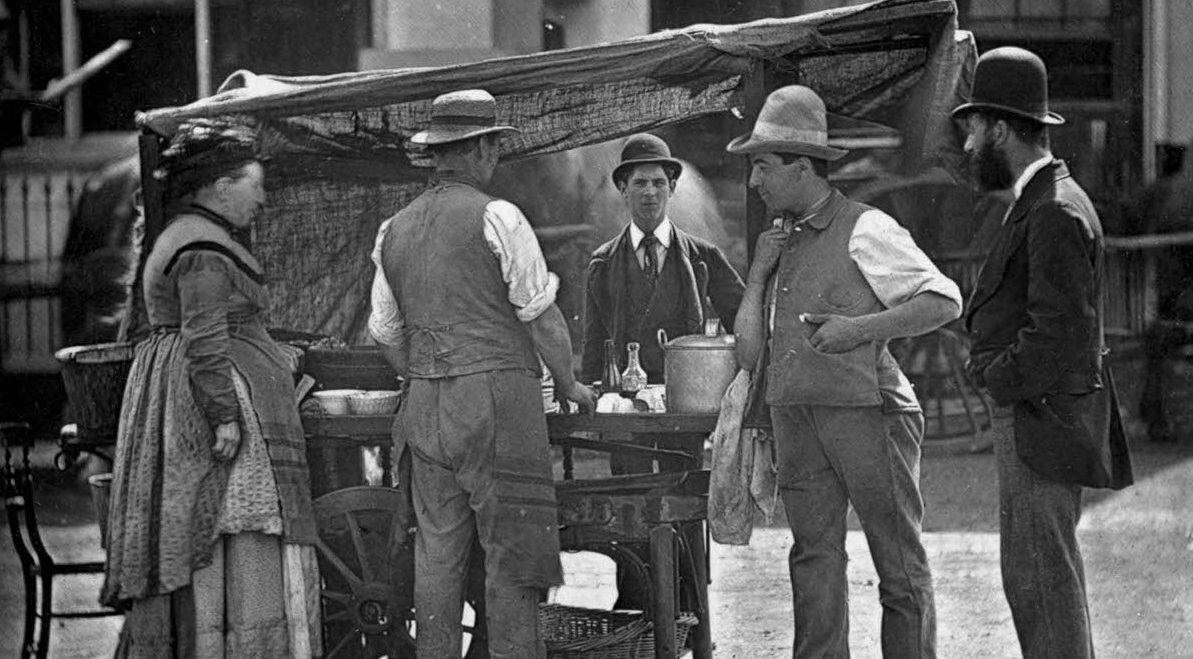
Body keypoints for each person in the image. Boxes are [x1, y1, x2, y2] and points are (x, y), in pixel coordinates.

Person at [728, 85, 960, 659]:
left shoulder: (865, 228)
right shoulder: (776, 241)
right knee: (813, 558)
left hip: (869, 416)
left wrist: (858, 331)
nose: (754, 182)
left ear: (802, 168)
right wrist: (757, 275)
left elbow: (944, 301)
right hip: (796, 417)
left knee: (897, 564)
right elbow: (750, 355)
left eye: (763, 166)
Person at [368, 89, 597, 659]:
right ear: (478, 149)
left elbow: (386, 334)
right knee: (513, 554)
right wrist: (570, 384)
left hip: (424, 407)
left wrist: (430, 371)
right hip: (495, 405)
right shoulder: (500, 216)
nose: (495, 155)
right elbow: (541, 318)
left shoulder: (393, 229)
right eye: (493, 145)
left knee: (437, 554)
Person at [101, 119, 322, 657]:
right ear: (223, 187)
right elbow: (205, 339)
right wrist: (224, 416)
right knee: (230, 522)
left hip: (190, 390)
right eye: (255, 184)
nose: (262, 198)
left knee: (218, 525)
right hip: (204, 401)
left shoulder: (190, 234)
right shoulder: (201, 245)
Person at [953, 47, 1133, 659]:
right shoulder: (1048, 198)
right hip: (1045, 416)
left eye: (975, 129)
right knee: (1044, 578)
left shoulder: (1052, 209)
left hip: (1039, 419)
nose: (969, 145)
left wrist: (994, 377)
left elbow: (1059, 334)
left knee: (1038, 579)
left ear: (1002, 130)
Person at [581, 133, 744, 473]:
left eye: (658, 183)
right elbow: (594, 340)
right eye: (639, 183)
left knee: (684, 486)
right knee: (630, 490)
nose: (650, 193)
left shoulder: (703, 256)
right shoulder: (603, 262)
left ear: (672, 188)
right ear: (623, 189)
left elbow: (742, 320)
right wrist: (594, 403)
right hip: (626, 408)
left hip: (685, 403)